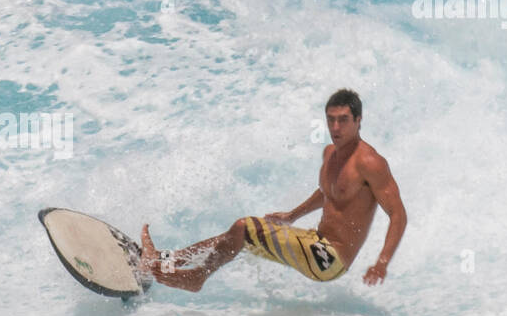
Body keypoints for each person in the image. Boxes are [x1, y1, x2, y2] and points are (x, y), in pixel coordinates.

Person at [140, 89, 406, 290]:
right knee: (235, 235)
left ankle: (197, 277)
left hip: (331, 259)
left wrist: (382, 262)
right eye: (331, 120)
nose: (335, 128)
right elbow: (327, 192)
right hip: (315, 244)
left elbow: (398, 214)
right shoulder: (330, 154)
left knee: (245, 227)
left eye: (344, 120)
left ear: (359, 120)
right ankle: (167, 259)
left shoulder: (370, 162)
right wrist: (292, 215)